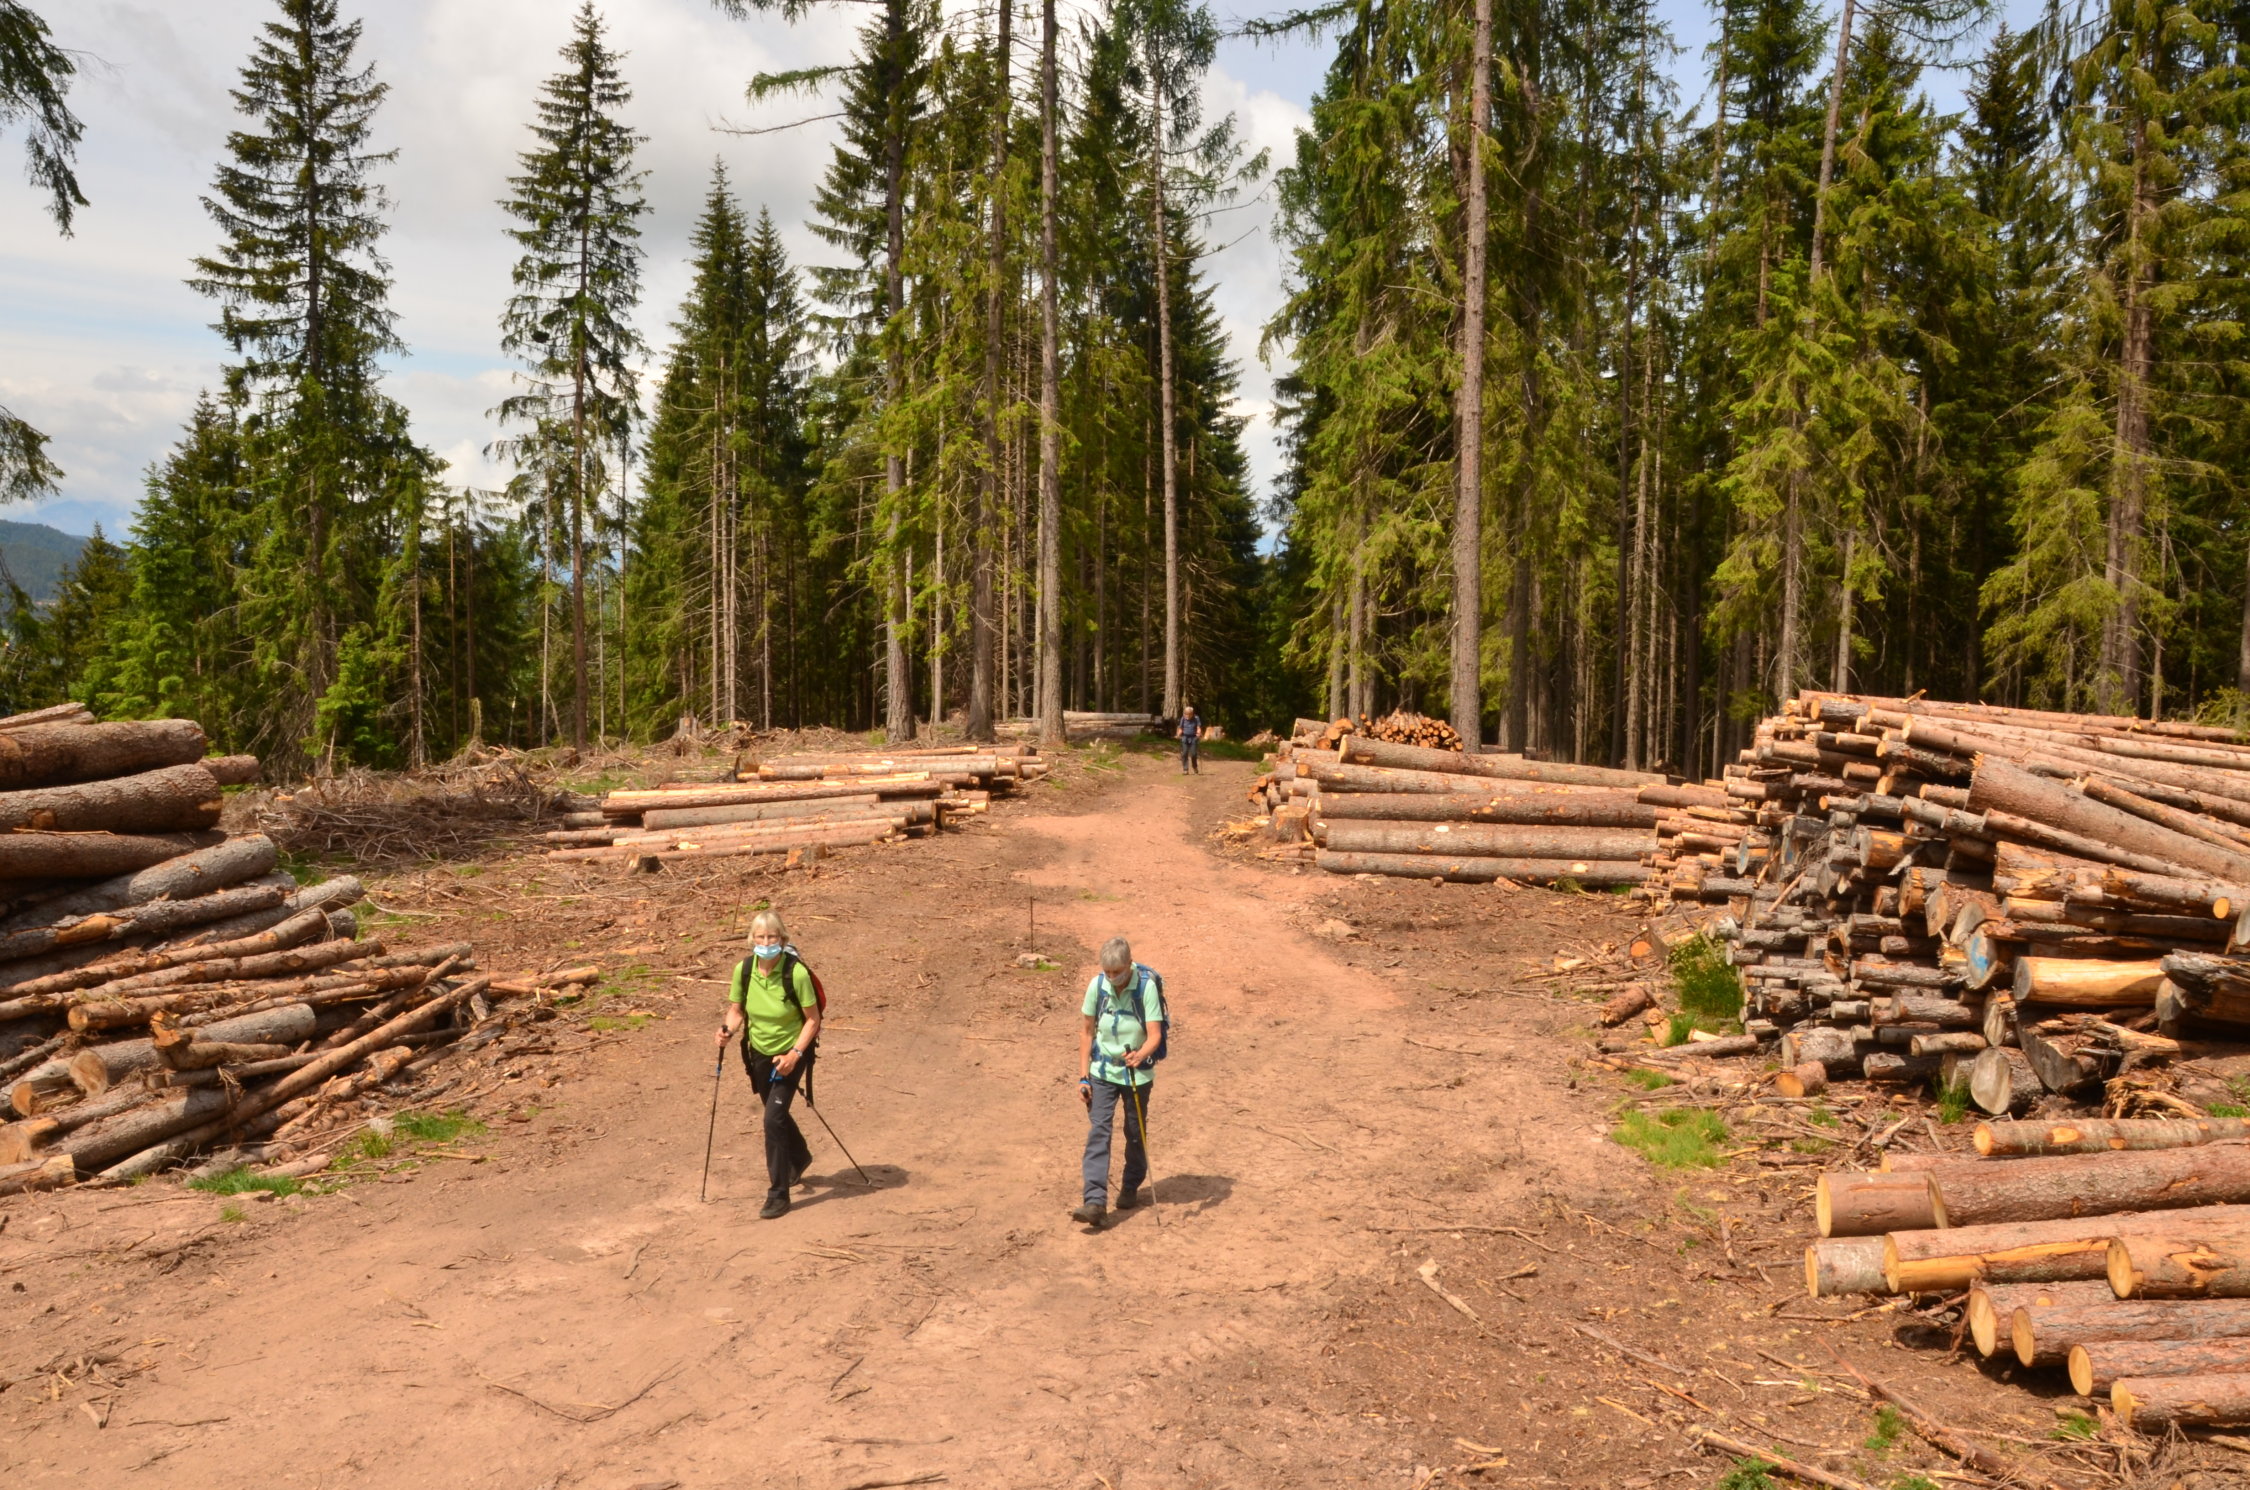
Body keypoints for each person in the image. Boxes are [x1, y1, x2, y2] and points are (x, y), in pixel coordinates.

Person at [714, 909, 821, 1219]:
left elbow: (813, 1020)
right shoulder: (744, 970)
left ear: (782, 939)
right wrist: (727, 1031)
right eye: (760, 937)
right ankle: (799, 1157)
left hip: (789, 1052)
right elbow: (736, 1011)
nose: (766, 942)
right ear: (751, 940)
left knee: (772, 1119)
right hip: (758, 1052)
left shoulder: (796, 973)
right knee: (776, 1114)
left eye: (772, 937)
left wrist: (795, 1055)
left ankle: (778, 1194)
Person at [1072, 936, 1165, 1228]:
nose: (1112, 977)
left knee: (1135, 1131)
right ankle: (1095, 1202)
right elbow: (1087, 1032)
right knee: (1099, 1131)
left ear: (1129, 963)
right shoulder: (1096, 986)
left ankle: (1130, 1185)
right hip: (1102, 1071)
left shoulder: (1146, 986)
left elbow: (1155, 1035)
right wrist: (1083, 1075)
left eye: (1117, 971)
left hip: (1137, 1074)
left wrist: (1141, 1055)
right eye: (1108, 972)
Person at [1178, 706, 1201, 774]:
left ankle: (1194, 766)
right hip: (1185, 737)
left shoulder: (1196, 718)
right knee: (1184, 753)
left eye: (1189, 714)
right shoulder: (1183, 718)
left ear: (1192, 713)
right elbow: (1181, 728)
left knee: (1193, 754)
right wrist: (1179, 733)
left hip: (1193, 737)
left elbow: (1198, 727)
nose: (1187, 716)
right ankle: (1185, 769)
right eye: (1186, 714)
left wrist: (1199, 732)